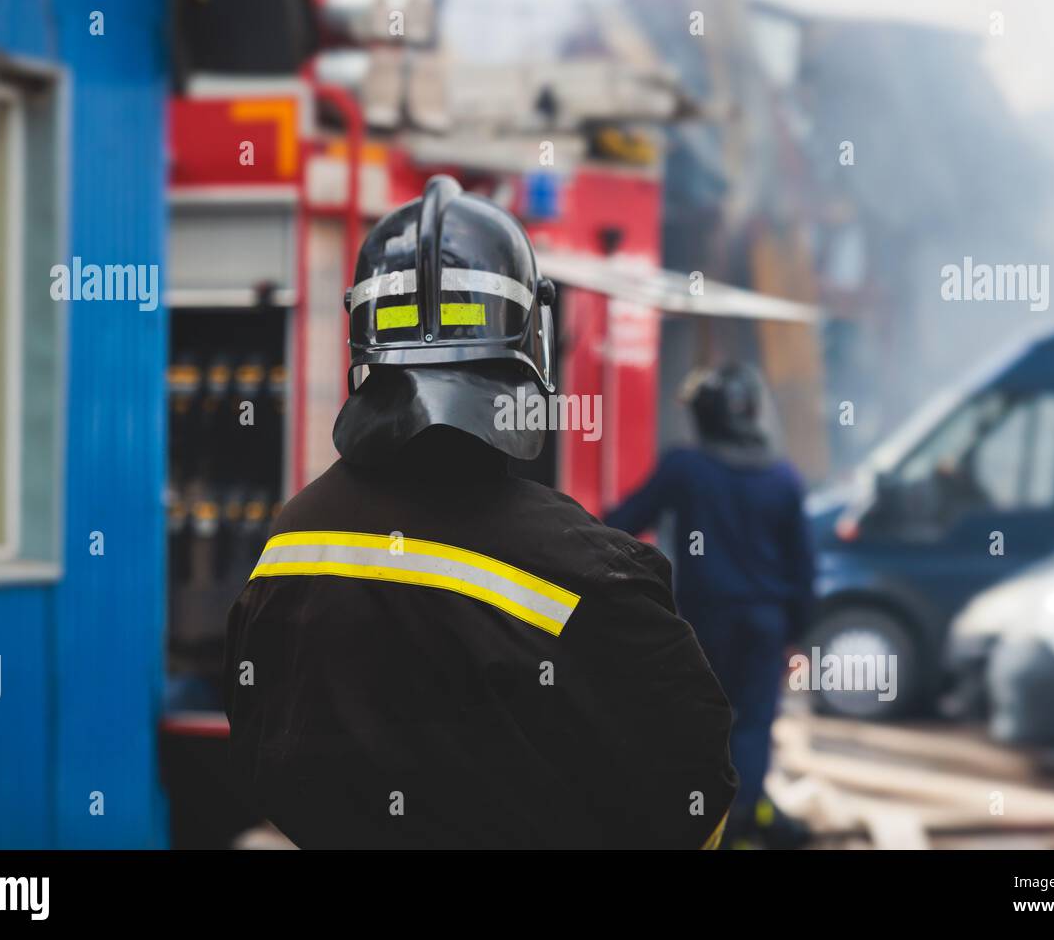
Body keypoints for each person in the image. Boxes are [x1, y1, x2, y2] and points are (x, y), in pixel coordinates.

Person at [224, 175, 737, 849]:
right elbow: (694, 806)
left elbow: (257, 743)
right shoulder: (594, 575)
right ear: (533, 343)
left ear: (364, 342)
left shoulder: (292, 542)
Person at [605, 363, 815, 849]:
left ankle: (706, 822)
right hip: (766, 623)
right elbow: (803, 569)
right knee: (755, 723)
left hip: (704, 624)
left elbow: (625, 522)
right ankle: (742, 824)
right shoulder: (783, 478)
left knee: (704, 721)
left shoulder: (687, 467)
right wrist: (795, 633)